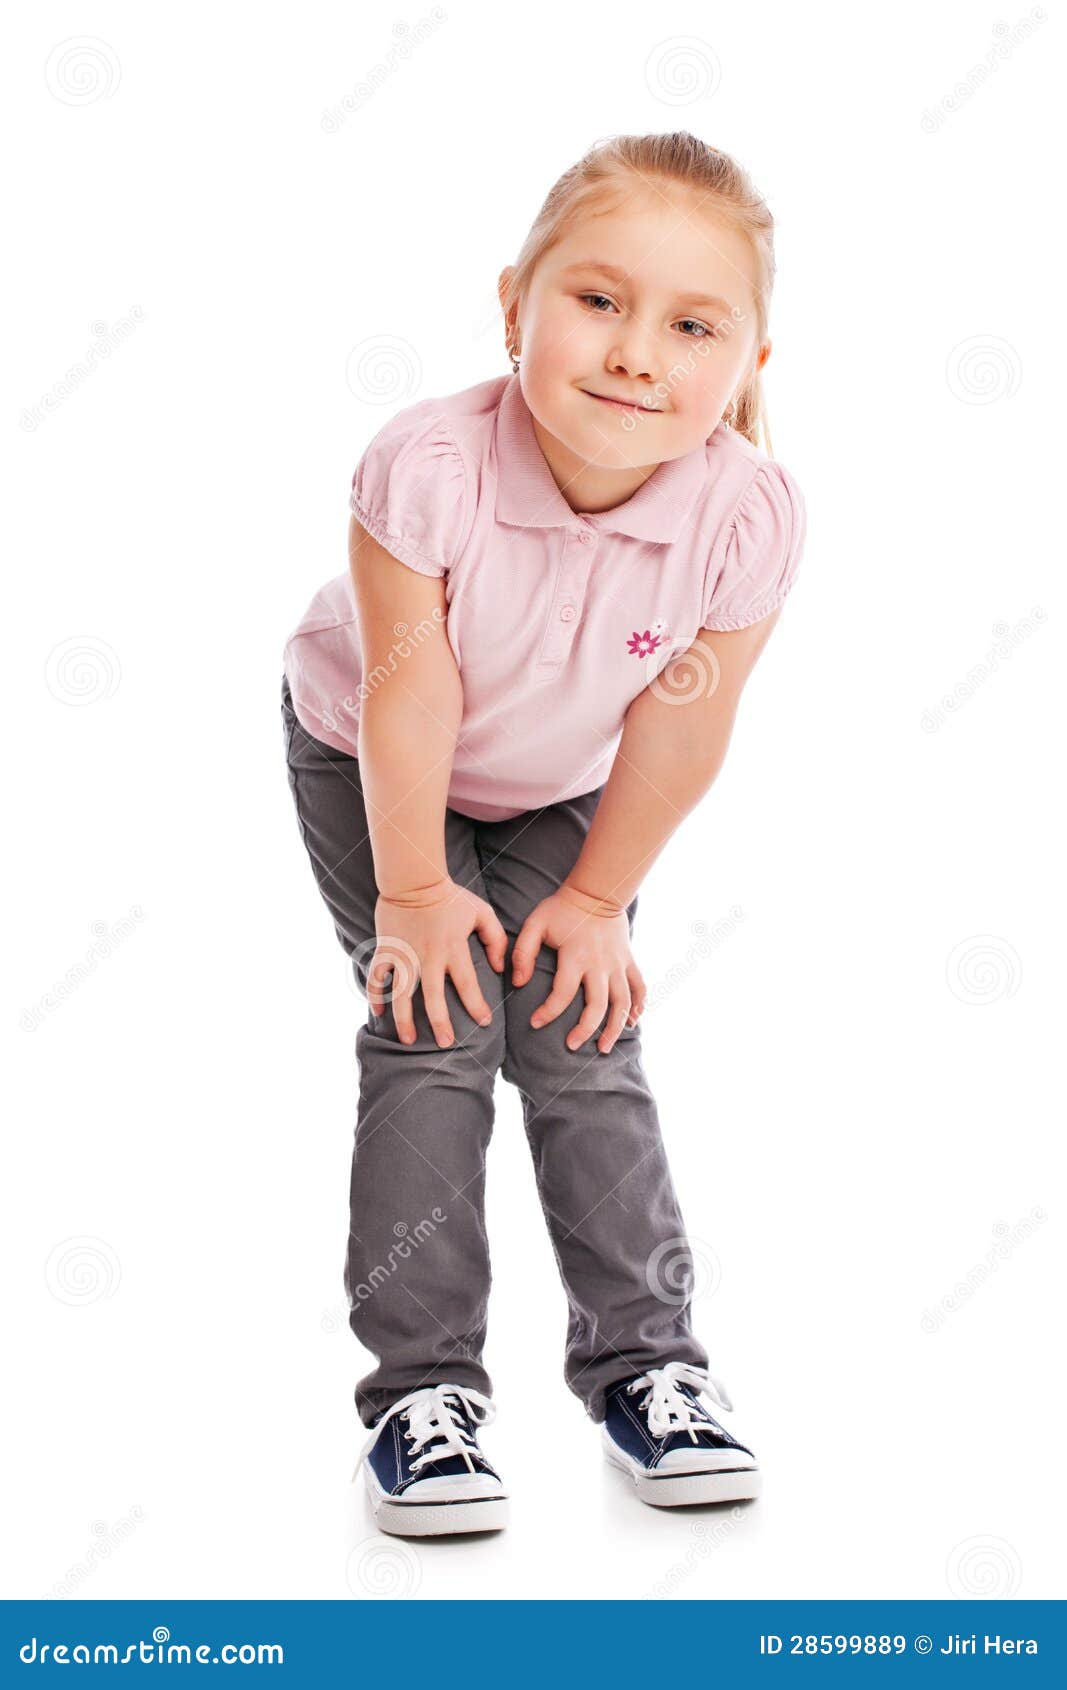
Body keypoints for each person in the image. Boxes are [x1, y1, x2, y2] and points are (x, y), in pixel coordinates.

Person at [280, 130, 807, 1538]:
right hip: (379, 761)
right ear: (513, 303)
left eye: (694, 324)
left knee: (578, 1030)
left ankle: (652, 1365)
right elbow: (410, 690)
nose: (639, 352)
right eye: (597, 301)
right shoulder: (429, 467)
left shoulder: (746, 512)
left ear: (750, 358)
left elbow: (684, 721)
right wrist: (411, 894)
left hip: (567, 787)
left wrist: (592, 899)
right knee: (437, 1023)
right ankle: (420, 1394)